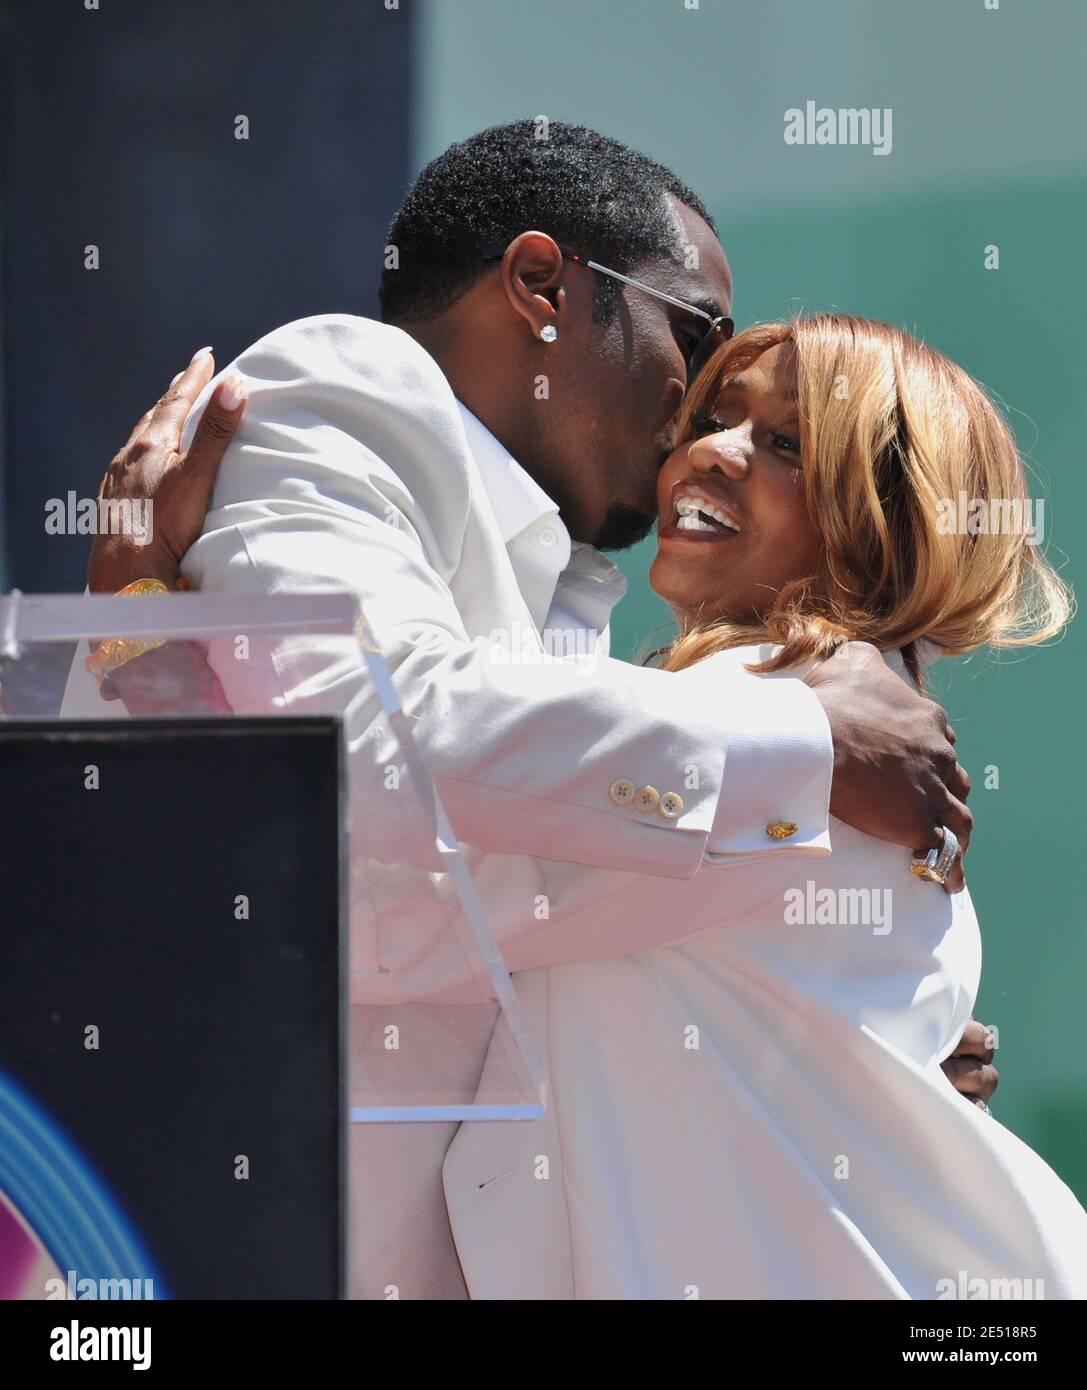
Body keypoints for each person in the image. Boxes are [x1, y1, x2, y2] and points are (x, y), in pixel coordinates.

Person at [78, 122, 993, 1298]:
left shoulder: (706, 666)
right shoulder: (356, 392)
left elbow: (406, 887)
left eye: (773, 440)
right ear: (542, 287)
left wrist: (138, 639)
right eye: (700, 347)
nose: (694, 425)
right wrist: (804, 751)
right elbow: (361, 742)